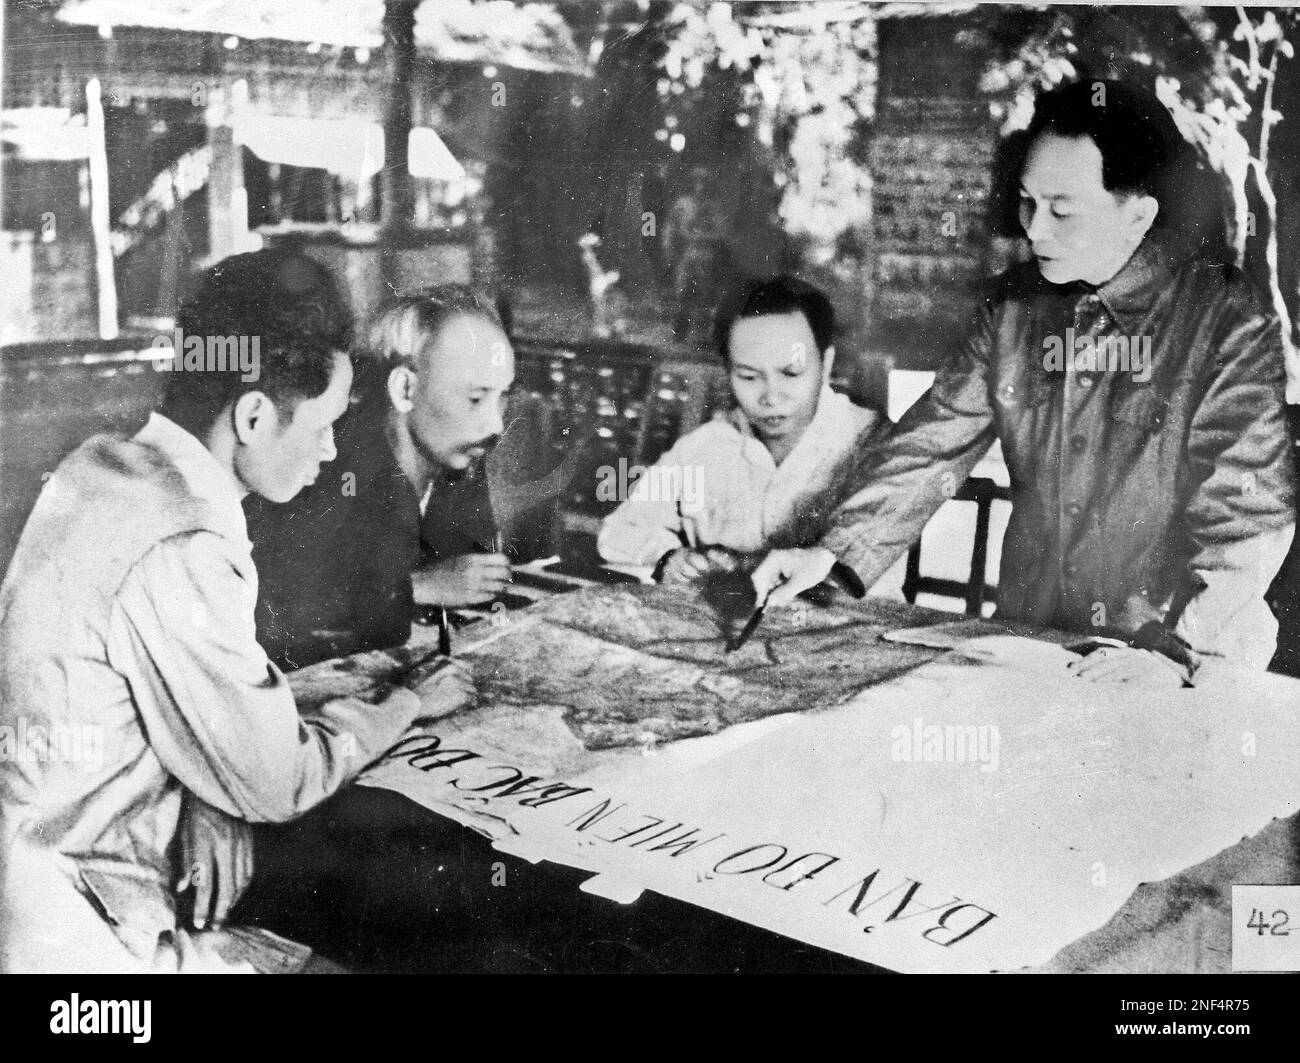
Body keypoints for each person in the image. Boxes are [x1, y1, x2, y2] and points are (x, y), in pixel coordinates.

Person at [0, 249, 469, 972]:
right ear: (252, 415)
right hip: (85, 951)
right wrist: (405, 702)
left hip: (32, 892)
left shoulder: (98, 469)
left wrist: (204, 791)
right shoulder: (186, 537)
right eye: (323, 424)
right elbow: (278, 778)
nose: (329, 448)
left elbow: (175, 701)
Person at [752, 80, 1296, 685]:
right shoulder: (1014, 307)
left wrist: (1180, 659)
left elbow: (1245, 524)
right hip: (1034, 639)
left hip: (1177, 657)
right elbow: (930, 444)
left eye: (1062, 210)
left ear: (1138, 215)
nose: (1034, 230)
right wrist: (828, 551)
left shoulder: (1222, 318)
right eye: (1027, 202)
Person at [246, 285, 517, 668]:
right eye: (475, 399)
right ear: (405, 388)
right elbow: (278, 608)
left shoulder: (459, 455)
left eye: (502, 397)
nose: (495, 424)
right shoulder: (325, 464)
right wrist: (418, 588)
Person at [598, 276, 880, 584]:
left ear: (826, 364)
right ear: (728, 372)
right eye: (748, 377)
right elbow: (618, 531)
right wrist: (669, 558)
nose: (771, 397)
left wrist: (748, 566)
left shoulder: (873, 444)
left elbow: (878, 573)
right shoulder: (704, 447)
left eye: (791, 373)